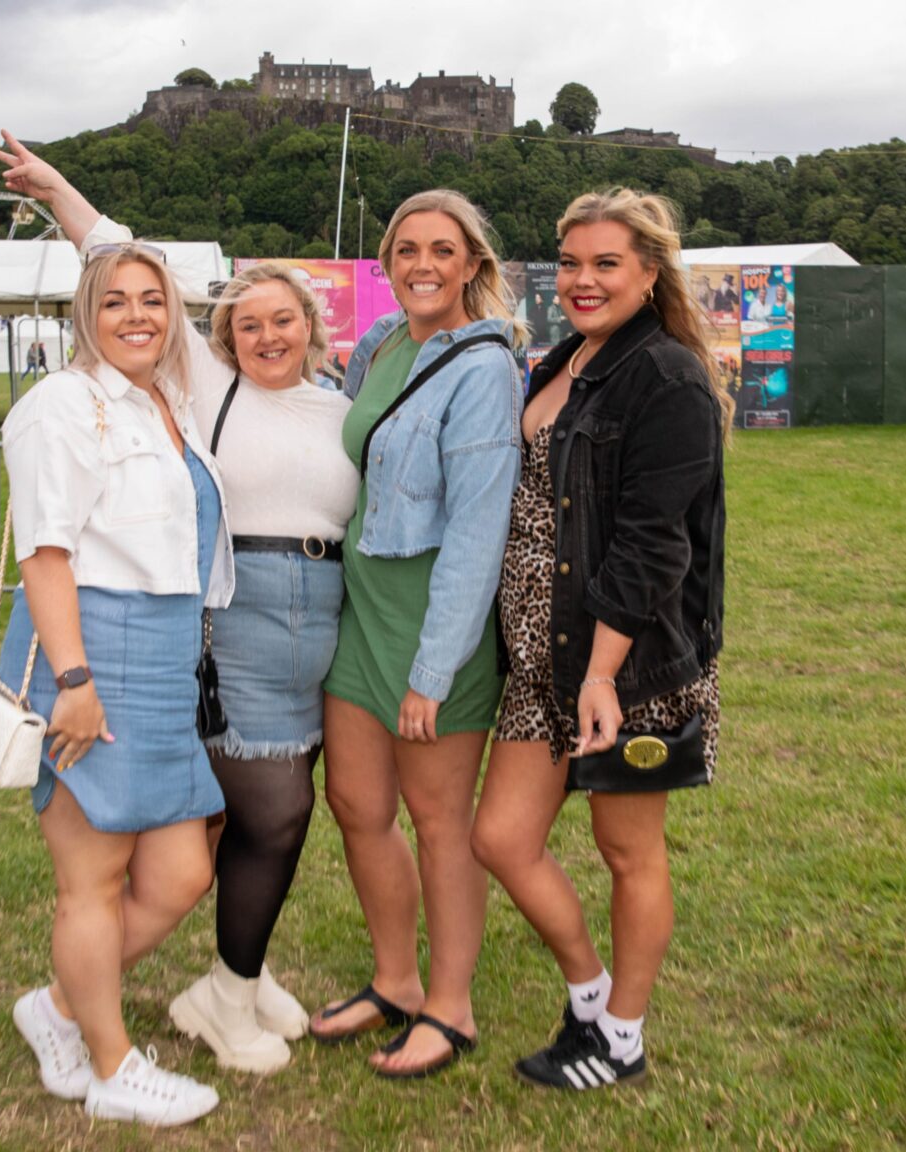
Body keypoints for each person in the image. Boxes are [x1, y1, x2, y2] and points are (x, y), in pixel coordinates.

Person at [0, 131, 360, 1075]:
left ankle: (115, 994)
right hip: (151, 640)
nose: (267, 336)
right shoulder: (172, 390)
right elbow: (120, 266)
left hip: (256, 639)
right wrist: (59, 191)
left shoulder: (307, 406)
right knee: (195, 838)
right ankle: (113, 1028)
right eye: (247, 323)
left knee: (210, 850)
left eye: (285, 321)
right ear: (224, 336)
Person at [471, 189, 732, 1090]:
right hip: (541, 660)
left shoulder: (665, 377)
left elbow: (655, 543)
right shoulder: (566, 362)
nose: (583, 281)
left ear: (649, 273)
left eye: (606, 264)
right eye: (571, 264)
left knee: (629, 853)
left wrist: (605, 674)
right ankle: (589, 996)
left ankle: (623, 1035)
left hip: (623, 669)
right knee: (501, 839)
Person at [0, 233, 235, 1126]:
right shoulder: (64, 404)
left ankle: (57, 1004)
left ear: (172, 311)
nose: (136, 316)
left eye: (151, 299)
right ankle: (110, 1064)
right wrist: (74, 679)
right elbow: (45, 552)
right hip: (95, 652)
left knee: (178, 874)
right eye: (113, 301)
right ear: (84, 316)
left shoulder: (161, 401)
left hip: (167, 658)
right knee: (91, 883)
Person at [306, 189, 525, 1078]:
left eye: (442, 250)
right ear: (387, 261)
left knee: (440, 822)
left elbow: (479, 530)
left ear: (473, 262)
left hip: (438, 623)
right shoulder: (377, 346)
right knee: (357, 806)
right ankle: (394, 980)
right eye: (405, 250)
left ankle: (451, 1005)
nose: (422, 265)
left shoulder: (486, 368)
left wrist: (435, 668)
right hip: (362, 612)